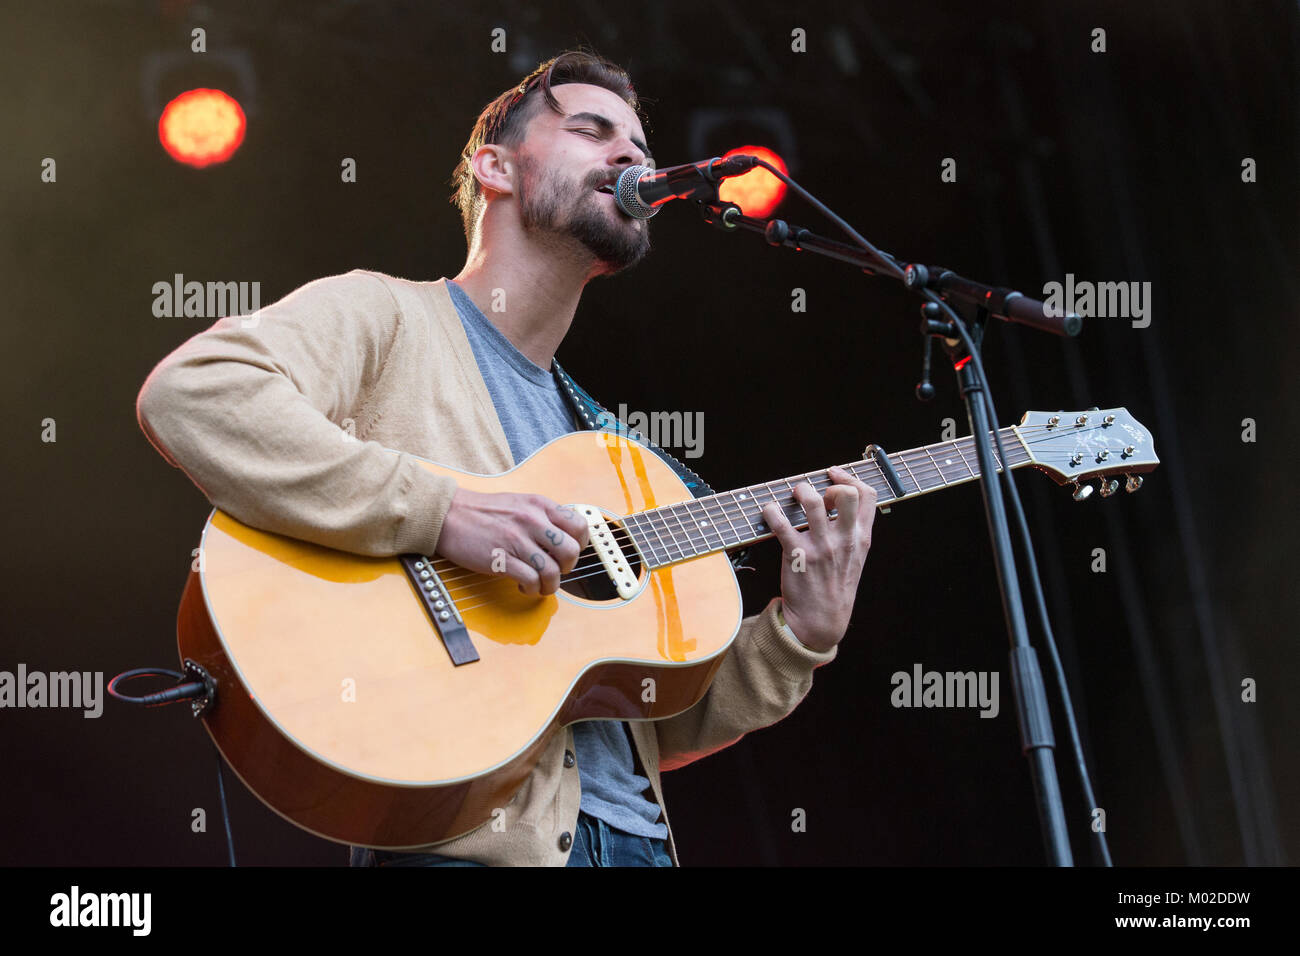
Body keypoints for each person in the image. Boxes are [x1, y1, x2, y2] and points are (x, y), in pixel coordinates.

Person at [136, 49, 877, 867]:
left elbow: (651, 717)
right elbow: (194, 394)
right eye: (593, 131)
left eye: (638, 143)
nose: (633, 157)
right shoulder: (387, 316)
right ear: (494, 168)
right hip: (460, 845)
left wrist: (799, 637)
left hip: (637, 847)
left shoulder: (612, 451)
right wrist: (442, 512)